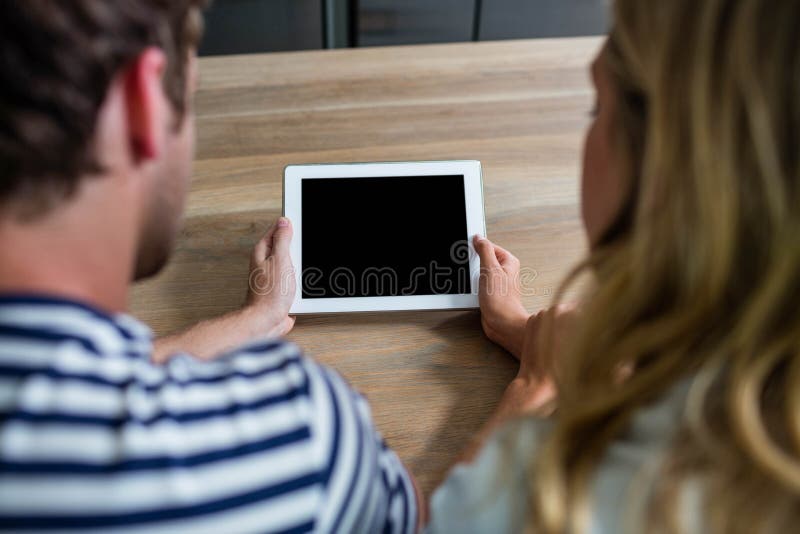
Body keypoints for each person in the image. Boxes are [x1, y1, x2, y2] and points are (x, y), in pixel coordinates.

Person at [0, 2, 419, 532]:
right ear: (142, 104)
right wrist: (534, 389)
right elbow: (436, 519)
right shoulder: (299, 437)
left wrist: (256, 319)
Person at [427, 0, 800, 532]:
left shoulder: (571, 496)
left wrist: (533, 387)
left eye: (597, 107)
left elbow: (446, 521)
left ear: (664, 174)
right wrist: (513, 326)